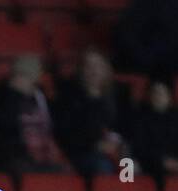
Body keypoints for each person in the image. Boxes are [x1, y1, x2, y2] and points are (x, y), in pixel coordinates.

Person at [0, 55, 67, 176]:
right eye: (21, 76)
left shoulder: (42, 99)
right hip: (11, 158)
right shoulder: (0, 99)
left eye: (29, 78)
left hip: (43, 155)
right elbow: (1, 132)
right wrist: (14, 94)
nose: (25, 81)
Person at [54, 48, 127, 177]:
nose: (93, 71)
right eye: (89, 66)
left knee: (131, 166)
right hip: (83, 153)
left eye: (98, 66)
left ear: (106, 69)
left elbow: (125, 127)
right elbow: (66, 134)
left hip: (116, 150)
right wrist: (96, 145)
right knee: (103, 167)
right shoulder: (69, 98)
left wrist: (116, 141)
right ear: (81, 70)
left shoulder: (118, 96)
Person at [130, 78, 178, 181]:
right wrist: (161, 161)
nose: (158, 96)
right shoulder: (140, 117)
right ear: (149, 95)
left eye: (162, 93)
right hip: (149, 164)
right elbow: (139, 147)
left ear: (170, 96)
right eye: (155, 92)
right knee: (131, 167)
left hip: (176, 163)